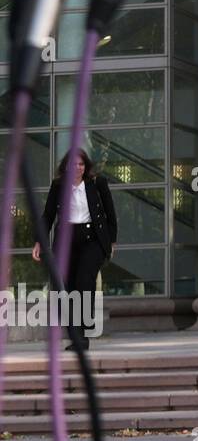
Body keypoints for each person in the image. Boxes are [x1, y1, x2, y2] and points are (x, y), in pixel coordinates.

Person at [34, 150, 117, 351]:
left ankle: (86, 328)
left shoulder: (98, 183)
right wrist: (39, 242)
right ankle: (79, 338)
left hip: (93, 241)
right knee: (70, 288)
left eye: (81, 164)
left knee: (84, 282)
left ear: (86, 166)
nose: (77, 168)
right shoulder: (58, 186)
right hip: (67, 242)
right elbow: (48, 215)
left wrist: (111, 242)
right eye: (73, 164)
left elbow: (110, 214)